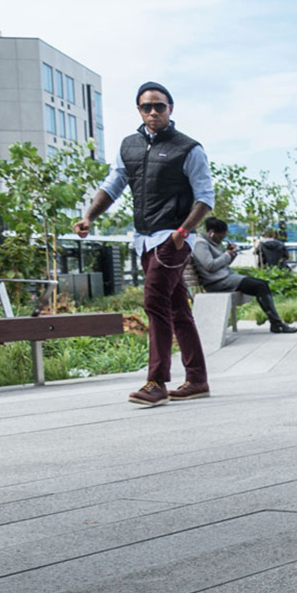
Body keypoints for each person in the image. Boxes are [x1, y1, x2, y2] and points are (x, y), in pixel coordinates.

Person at [73, 82, 213, 407]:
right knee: (178, 309)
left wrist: (182, 232)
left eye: (159, 106)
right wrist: (89, 216)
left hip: (172, 239)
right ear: (139, 110)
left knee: (154, 302)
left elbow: (205, 199)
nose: (152, 112)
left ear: (170, 109)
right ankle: (197, 380)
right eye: (146, 106)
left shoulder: (188, 148)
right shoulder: (130, 146)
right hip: (144, 240)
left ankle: (156, 382)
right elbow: (113, 185)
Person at [190, 217, 297, 333]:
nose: (222, 240)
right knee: (260, 286)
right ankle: (277, 324)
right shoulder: (200, 244)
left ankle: (276, 323)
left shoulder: (212, 243)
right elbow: (210, 266)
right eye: (220, 237)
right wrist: (227, 255)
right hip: (217, 282)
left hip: (226, 278)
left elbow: (222, 264)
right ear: (211, 233)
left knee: (262, 284)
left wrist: (232, 254)